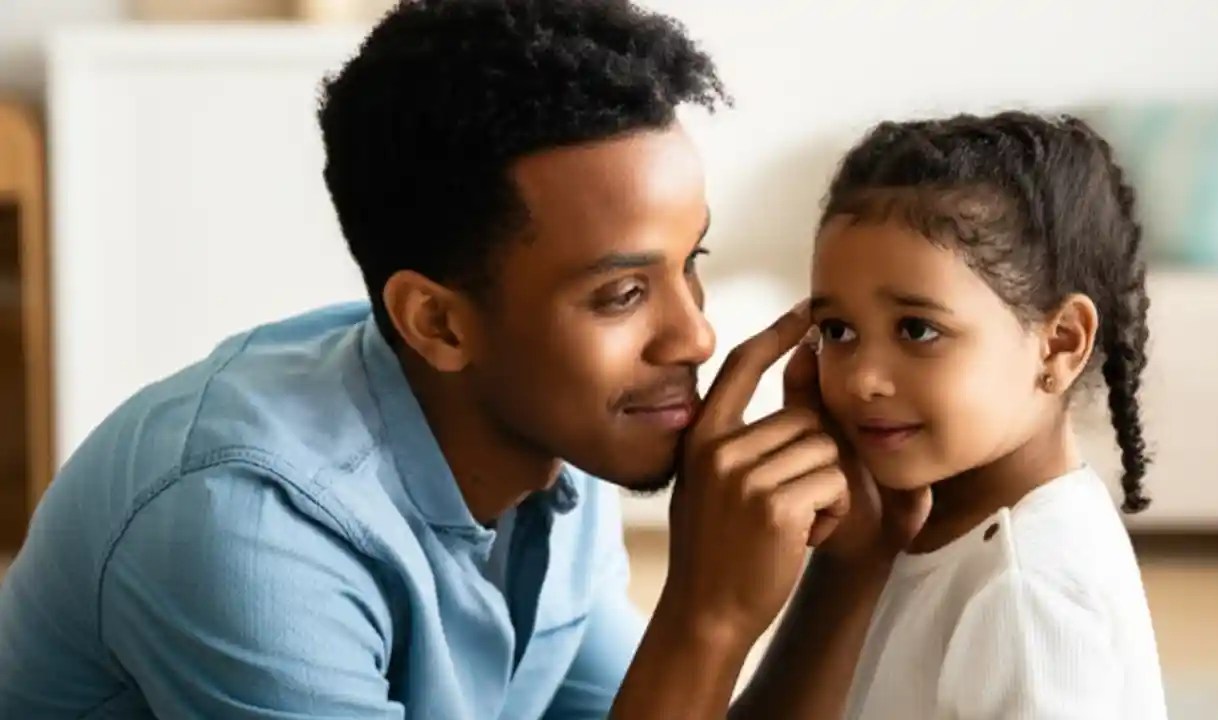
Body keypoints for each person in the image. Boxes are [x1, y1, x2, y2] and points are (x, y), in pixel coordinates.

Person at [0, 1, 907, 717]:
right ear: (436, 323)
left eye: (690, 261)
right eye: (622, 294)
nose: (696, 337)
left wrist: (849, 568)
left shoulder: (561, 448)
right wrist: (706, 615)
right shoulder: (247, 531)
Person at [796, 111, 1168, 718]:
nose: (863, 379)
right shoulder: (956, 529)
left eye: (917, 330)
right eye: (837, 330)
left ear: (1059, 342)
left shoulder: (1026, 591)